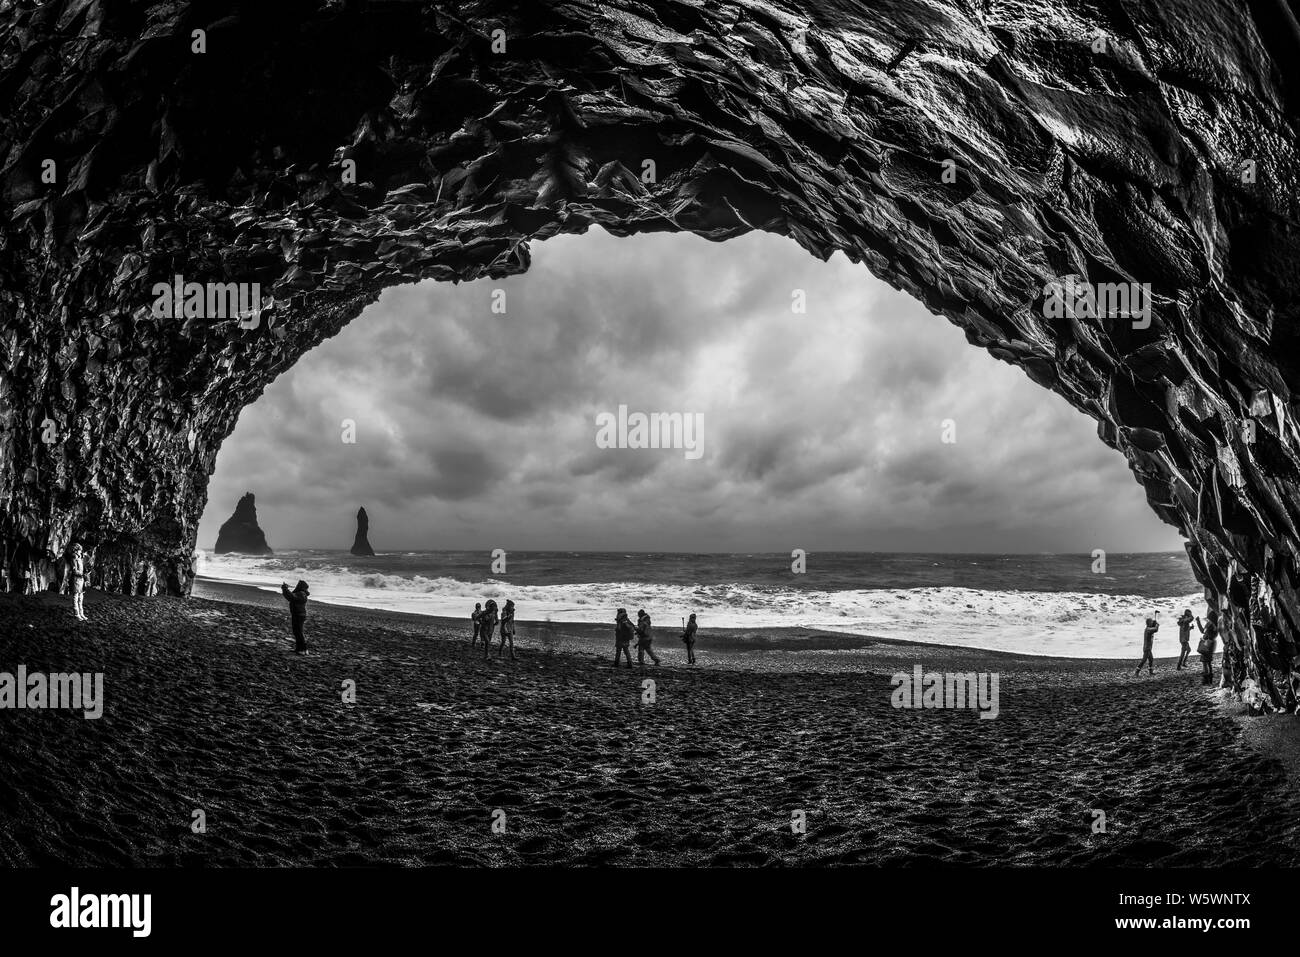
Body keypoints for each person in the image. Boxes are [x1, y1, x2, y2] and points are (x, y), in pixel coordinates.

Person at [280, 580, 310, 654]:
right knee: (297, 632)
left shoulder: (301, 594)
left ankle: (303, 650)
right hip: (299, 614)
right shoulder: (301, 593)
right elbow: (291, 596)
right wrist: (285, 589)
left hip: (299, 615)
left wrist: (285, 589)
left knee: (298, 632)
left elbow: (291, 597)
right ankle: (300, 649)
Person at [1196, 608, 1219, 686]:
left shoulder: (1210, 624)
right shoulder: (1215, 625)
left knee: (1205, 662)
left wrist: (1198, 622)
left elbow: (1203, 631)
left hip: (1207, 643)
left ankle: (1206, 680)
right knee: (1208, 662)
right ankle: (1209, 680)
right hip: (1211, 643)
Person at [1134, 612, 1158, 676]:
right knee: (1144, 660)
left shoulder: (1148, 629)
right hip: (1147, 648)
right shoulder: (1148, 630)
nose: (1152, 622)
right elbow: (1155, 629)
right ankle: (1137, 671)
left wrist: (1154, 624)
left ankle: (1150, 672)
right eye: (1151, 622)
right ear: (1149, 623)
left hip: (1148, 648)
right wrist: (1157, 625)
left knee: (1151, 659)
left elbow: (1153, 628)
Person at [69, 543, 87, 621]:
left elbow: (81, 569)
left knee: (81, 597)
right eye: (80, 550)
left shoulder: (80, 558)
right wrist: (83, 573)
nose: (81, 551)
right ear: (76, 551)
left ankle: (81, 613)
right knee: (75, 597)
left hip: (81, 579)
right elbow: (74, 571)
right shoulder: (74, 559)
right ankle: (76, 614)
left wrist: (85, 572)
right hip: (76, 579)